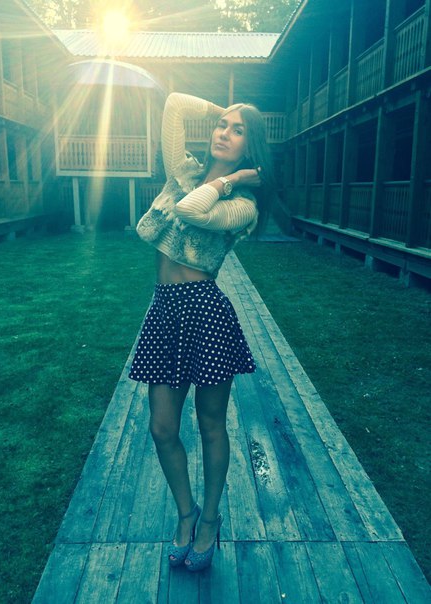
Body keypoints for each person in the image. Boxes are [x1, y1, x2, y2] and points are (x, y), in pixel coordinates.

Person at [129, 92, 276, 571]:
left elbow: (192, 211)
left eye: (237, 130)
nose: (223, 133)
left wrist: (233, 179)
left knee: (211, 424)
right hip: (164, 309)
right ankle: (186, 513)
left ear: (251, 148)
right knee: (162, 427)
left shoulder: (242, 206)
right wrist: (220, 110)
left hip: (205, 311)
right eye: (221, 125)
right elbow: (173, 104)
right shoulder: (184, 170)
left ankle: (210, 520)